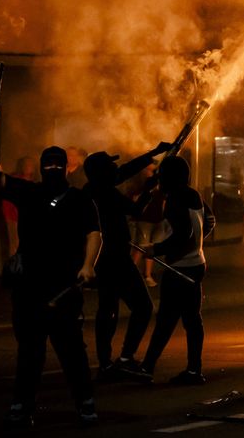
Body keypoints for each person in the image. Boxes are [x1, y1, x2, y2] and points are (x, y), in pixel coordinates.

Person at [0, 139, 102, 428]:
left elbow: (94, 233)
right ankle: (22, 405)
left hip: (64, 287)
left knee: (71, 350)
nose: (52, 169)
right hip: (30, 288)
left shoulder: (79, 199)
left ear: (67, 168)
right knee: (30, 352)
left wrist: (88, 265)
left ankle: (85, 403)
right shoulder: (28, 192)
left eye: (57, 164)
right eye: (48, 164)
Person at [83, 142, 170, 380]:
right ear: (102, 171)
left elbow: (126, 169)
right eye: (110, 165)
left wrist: (152, 154)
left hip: (106, 259)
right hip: (115, 259)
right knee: (142, 307)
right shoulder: (105, 192)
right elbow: (135, 210)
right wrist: (149, 190)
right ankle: (123, 358)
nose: (115, 168)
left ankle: (106, 363)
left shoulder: (92, 188)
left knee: (107, 309)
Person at [133, 155, 215, 385]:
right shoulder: (193, 194)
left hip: (179, 267)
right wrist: (197, 243)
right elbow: (209, 220)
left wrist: (156, 249)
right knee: (192, 320)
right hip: (197, 263)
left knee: (166, 319)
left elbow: (182, 234)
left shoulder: (175, 199)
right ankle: (193, 370)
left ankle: (148, 367)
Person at [132, 162, 163, 287]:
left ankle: (148, 275)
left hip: (158, 219)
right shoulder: (141, 183)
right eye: (148, 168)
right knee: (141, 247)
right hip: (145, 219)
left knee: (151, 248)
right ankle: (131, 274)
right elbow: (135, 199)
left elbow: (163, 199)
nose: (150, 171)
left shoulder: (159, 183)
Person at [2, 156, 38, 258]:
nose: (28, 167)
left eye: (31, 165)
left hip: (27, 218)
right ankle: (14, 269)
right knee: (15, 243)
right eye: (26, 165)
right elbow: (8, 202)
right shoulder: (15, 180)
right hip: (13, 216)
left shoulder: (34, 181)